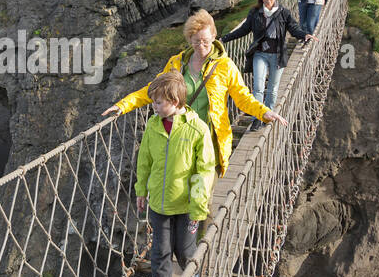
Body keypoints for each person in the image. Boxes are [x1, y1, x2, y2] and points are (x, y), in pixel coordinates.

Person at [103, 10, 287, 180]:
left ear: (214, 37)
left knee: (203, 199)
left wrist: (263, 112)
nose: (201, 46)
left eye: (206, 41)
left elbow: (242, 96)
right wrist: (123, 105)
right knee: (181, 195)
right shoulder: (177, 63)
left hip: (210, 141)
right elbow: (154, 89)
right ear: (189, 39)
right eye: (196, 41)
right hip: (181, 139)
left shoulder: (225, 66)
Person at [133, 71, 215, 277]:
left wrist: (199, 208)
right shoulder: (153, 125)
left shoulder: (197, 129)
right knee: (160, 251)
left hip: (188, 205)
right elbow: (144, 160)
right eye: (154, 102)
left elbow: (205, 169)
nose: (154, 106)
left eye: (158, 102)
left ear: (175, 102)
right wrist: (141, 190)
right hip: (159, 203)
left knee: (186, 252)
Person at [223, 0, 313, 127]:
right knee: (258, 87)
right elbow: (244, 29)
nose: (268, 0)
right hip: (260, 54)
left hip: (278, 55)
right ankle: (257, 118)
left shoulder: (284, 13)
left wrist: (304, 35)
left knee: (272, 89)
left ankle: (268, 116)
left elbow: (293, 28)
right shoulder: (255, 13)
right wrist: (225, 38)